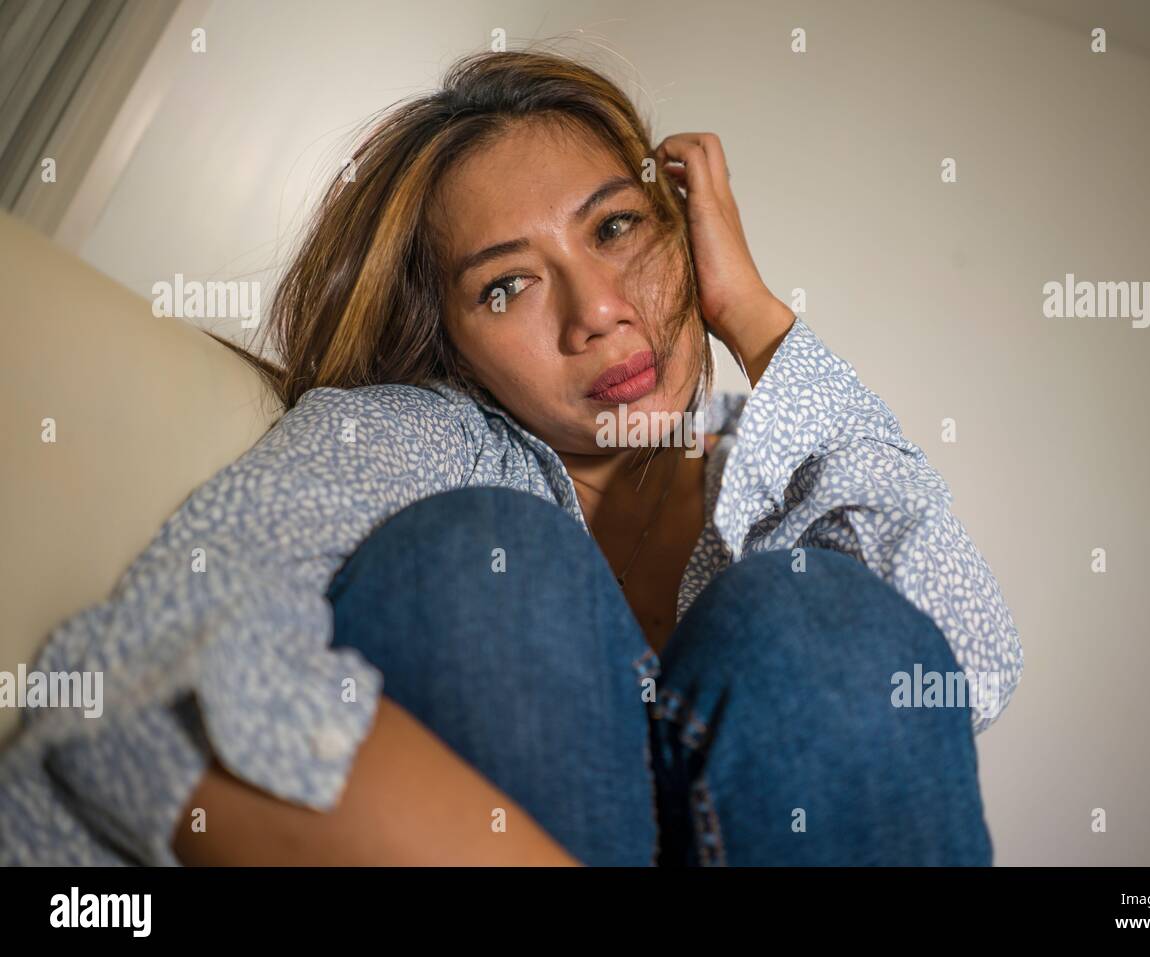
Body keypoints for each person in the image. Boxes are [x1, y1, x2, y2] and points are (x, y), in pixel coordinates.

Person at [0, 48, 1022, 866]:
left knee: (814, 606)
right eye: (505, 287)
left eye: (618, 228)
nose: (599, 312)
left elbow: (964, 662)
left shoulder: (770, 484)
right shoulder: (416, 439)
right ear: (454, 344)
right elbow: (140, 684)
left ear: (688, 232)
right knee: (489, 553)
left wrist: (757, 320)